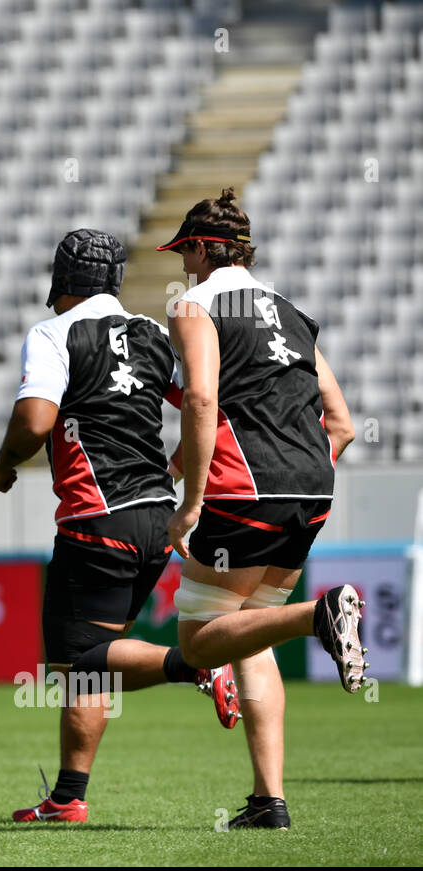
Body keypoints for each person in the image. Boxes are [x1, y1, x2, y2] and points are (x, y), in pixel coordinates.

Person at [0, 229, 240, 824]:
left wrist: (4, 463)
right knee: (98, 660)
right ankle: (68, 797)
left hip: (97, 518)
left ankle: (195, 665)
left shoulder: (56, 333)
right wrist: (178, 472)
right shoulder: (153, 335)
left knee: (71, 664)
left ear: (61, 281)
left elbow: (34, 420)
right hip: (157, 520)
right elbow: (208, 401)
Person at [159, 188, 364, 830]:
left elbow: (200, 401)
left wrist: (190, 501)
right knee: (251, 629)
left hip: (245, 485)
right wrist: (302, 475)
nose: (183, 266)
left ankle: (321, 615)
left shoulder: (195, 305)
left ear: (198, 248)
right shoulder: (293, 312)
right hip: (312, 485)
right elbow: (343, 423)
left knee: (195, 641)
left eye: (185, 253)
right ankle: (268, 802)